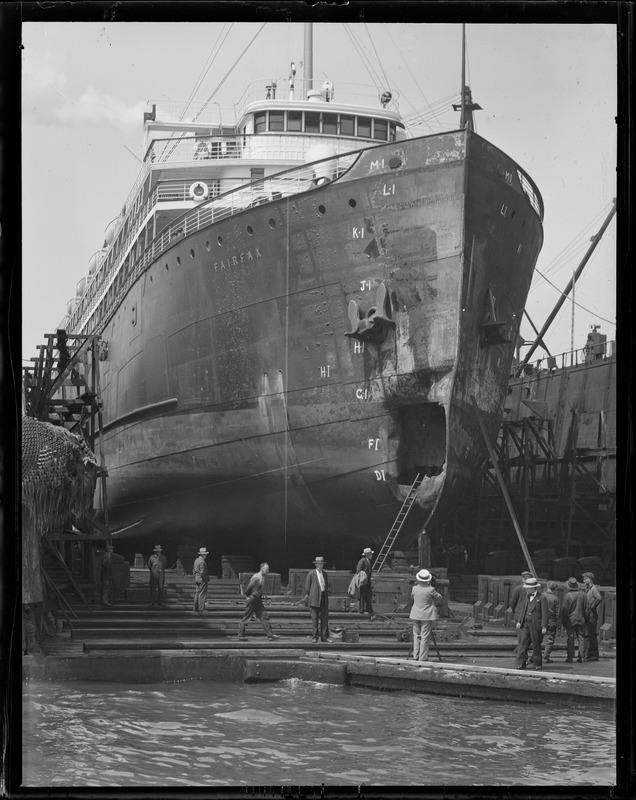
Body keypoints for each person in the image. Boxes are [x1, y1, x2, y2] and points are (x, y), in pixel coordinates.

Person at [237, 563, 280, 641]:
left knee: (264, 616)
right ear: (262, 568)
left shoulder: (262, 577)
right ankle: (240, 635)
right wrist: (249, 596)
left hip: (258, 600)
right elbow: (249, 588)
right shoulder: (256, 577)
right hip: (253, 599)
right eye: (267, 569)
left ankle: (270, 634)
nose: (268, 571)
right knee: (247, 617)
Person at [409, 568, 443, 661]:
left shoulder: (414, 588)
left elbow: (412, 597)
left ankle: (415, 655)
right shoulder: (431, 590)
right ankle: (422, 657)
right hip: (427, 615)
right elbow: (439, 597)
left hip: (415, 614)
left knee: (416, 636)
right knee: (425, 636)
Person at [514, 577, 548, 670]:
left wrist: (544, 626)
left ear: (534, 588)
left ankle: (537, 663)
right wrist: (519, 622)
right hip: (526, 624)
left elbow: (545, 613)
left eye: (528, 588)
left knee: (536, 644)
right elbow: (523, 610)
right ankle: (521, 662)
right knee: (522, 643)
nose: (527, 589)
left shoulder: (542, 598)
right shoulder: (527, 597)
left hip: (536, 624)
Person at [303, 557, 332, 643]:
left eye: (321, 564)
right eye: (318, 564)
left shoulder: (325, 574)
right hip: (314, 599)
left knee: (324, 619)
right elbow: (307, 588)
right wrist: (312, 596)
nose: (320, 565)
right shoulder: (311, 574)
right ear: (316, 564)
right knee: (314, 619)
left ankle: (324, 637)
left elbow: (326, 586)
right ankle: (315, 636)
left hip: (323, 598)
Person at [561, 576, 587, 663]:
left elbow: (564, 610)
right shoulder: (583, 594)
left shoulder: (567, 596)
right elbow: (587, 609)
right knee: (581, 638)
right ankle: (582, 657)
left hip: (570, 620)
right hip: (581, 619)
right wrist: (586, 619)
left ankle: (570, 657)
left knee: (570, 639)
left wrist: (563, 621)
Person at [582, 571, 602, 661]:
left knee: (592, 634)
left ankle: (594, 654)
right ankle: (589, 653)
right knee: (587, 634)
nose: (583, 580)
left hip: (591, 614)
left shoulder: (593, 589)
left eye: (585, 579)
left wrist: (593, 605)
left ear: (589, 579)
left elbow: (599, 598)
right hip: (588, 614)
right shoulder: (588, 589)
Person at [542, 580, 561, 663]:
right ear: (555, 589)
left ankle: (535, 656)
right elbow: (558, 613)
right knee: (549, 640)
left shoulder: (541, 596)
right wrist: (559, 624)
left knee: (537, 640)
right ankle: (545, 657)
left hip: (541, 620)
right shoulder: (556, 599)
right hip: (551, 621)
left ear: (547, 586)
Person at [356, 547, 375, 619]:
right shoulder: (362, 561)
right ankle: (361, 609)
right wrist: (363, 576)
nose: (371, 555)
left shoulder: (368, 561)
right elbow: (358, 570)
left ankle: (369, 609)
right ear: (367, 554)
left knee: (368, 594)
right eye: (370, 554)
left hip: (368, 581)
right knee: (362, 595)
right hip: (363, 581)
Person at [193, 547, 210, 612]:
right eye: (205, 554)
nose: (206, 556)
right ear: (203, 555)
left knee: (197, 593)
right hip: (202, 580)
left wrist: (196, 576)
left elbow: (194, 571)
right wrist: (206, 578)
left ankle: (195, 608)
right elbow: (203, 573)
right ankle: (201, 608)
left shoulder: (196, 560)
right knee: (202, 594)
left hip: (197, 579)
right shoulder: (202, 562)